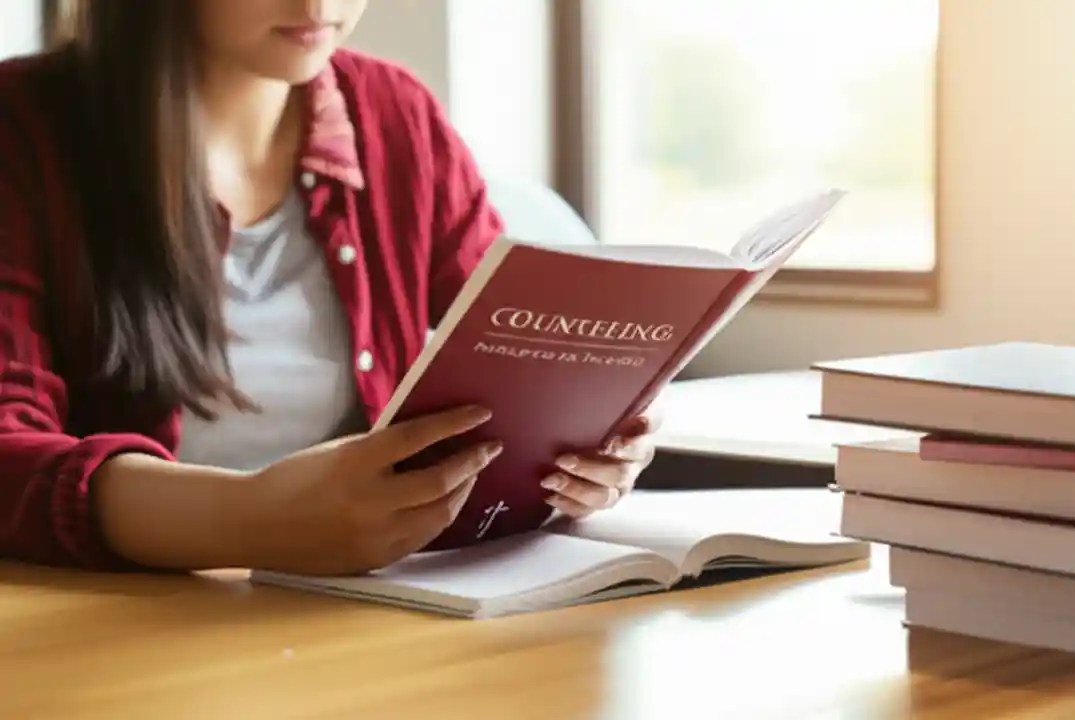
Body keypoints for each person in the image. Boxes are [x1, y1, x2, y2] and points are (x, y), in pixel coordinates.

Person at [0, 0, 658, 575]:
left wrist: (590, 445)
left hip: (360, 607)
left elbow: (521, 349)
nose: (318, 2)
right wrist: (253, 518)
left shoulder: (396, 116)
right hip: (125, 630)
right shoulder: (24, 130)